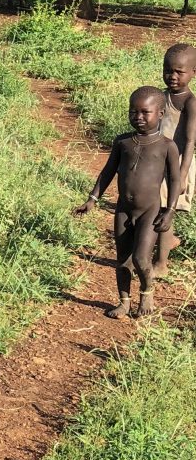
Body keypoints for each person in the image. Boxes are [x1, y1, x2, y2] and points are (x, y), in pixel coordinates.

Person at [76, 85, 179, 318]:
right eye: (133, 111)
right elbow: (107, 172)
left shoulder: (166, 146)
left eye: (145, 112)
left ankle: (147, 291)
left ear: (160, 114)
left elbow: (175, 179)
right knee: (122, 260)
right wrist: (92, 199)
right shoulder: (123, 142)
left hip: (150, 211)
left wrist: (170, 210)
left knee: (141, 258)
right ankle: (124, 302)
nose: (138, 117)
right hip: (123, 209)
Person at [156, 43, 196, 278]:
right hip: (158, 162)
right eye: (168, 70)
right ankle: (167, 240)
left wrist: (181, 175)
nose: (172, 76)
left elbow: (190, 141)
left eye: (179, 72)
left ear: (193, 72)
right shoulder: (161, 97)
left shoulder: (190, 103)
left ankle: (161, 264)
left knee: (165, 210)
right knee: (154, 207)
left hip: (179, 164)